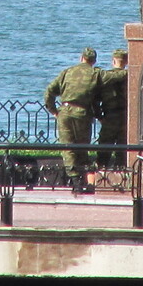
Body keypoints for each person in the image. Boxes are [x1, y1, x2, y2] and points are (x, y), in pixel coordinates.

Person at [42, 46, 106, 191]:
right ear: (94, 61)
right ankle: (85, 179)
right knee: (82, 147)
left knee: (68, 147)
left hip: (64, 111)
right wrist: (99, 116)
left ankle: (75, 179)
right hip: (83, 113)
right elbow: (96, 99)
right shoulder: (95, 73)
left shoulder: (67, 72)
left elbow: (49, 92)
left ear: (81, 58)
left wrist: (53, 110)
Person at [96, 49, 130, 163]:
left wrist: (99, 116)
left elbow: (95, 98)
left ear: (113, 60)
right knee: (123, 151)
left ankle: (102, 175)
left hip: (109, 116)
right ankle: (123, 177)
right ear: (126, 61)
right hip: (126, 117)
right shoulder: (130, 77)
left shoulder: (105, 78)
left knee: (104, 151)